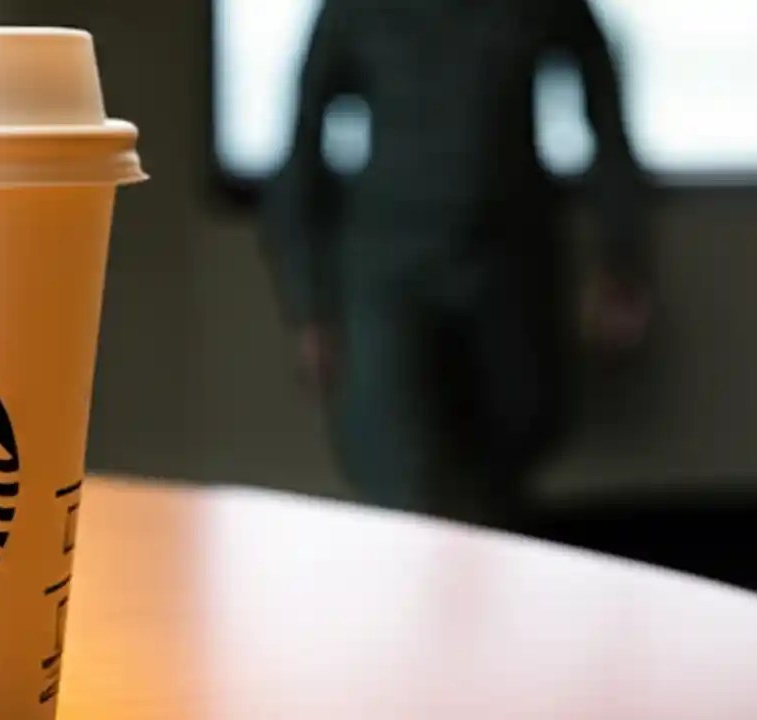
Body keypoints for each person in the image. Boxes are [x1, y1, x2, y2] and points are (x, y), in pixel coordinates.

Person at [263, 0, 652, 526]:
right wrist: (308, 301)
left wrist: (619, 261)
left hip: (510, 263)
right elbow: (302, 150)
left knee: (505, 467)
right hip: (388, 268)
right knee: (401, 474)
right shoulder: (353, 11)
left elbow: (606, 120)